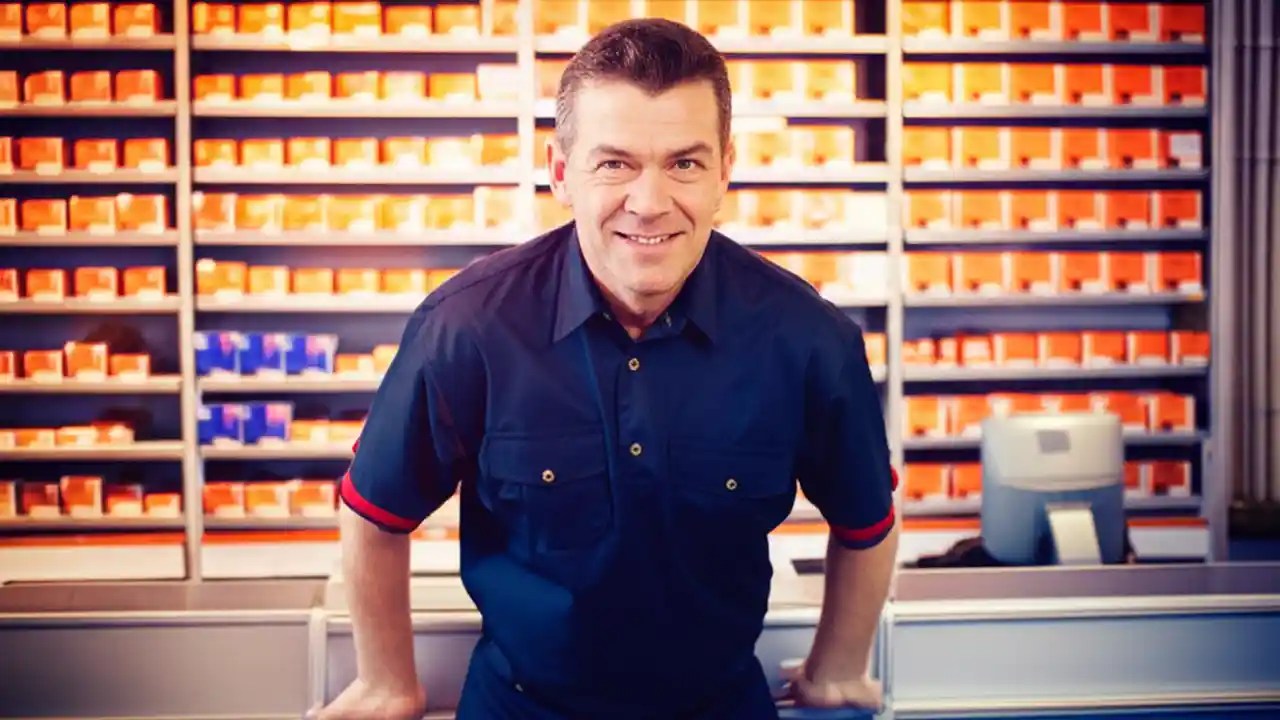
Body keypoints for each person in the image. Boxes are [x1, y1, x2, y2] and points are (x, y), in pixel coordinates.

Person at [313, 17, 899, 720]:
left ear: (723, 171)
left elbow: (867, 519)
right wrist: (386, 682)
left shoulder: (809, 339)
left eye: (683, 162)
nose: (649, 203)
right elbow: (375, 512)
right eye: (614, 162)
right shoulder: (468, 327)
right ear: (562, 173)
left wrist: (839, 666)